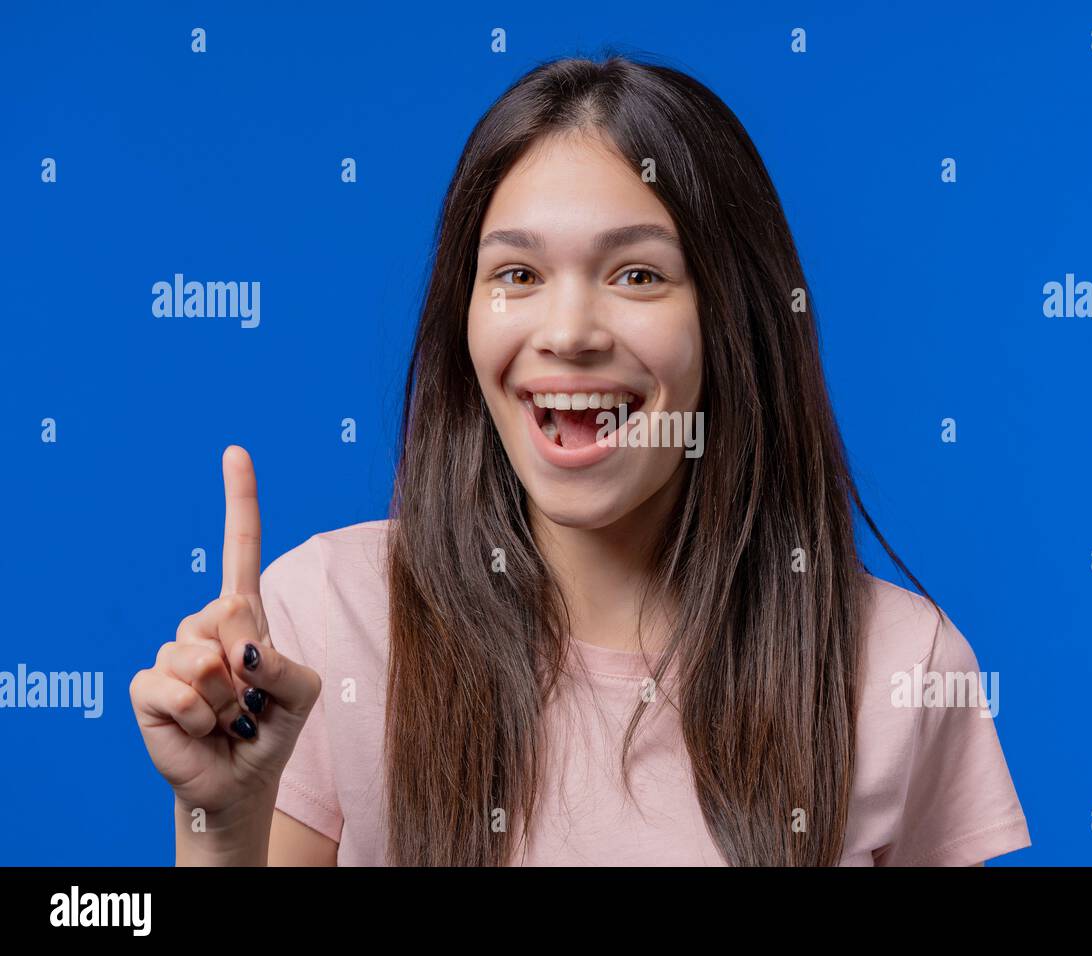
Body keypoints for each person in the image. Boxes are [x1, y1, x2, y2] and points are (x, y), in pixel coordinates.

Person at [130, 54, 1031, 867]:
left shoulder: (903, 664)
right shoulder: (326, 622)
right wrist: (218, 826)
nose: (566, 334)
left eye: (637, 275)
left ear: (734, 323)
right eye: (516, 275)